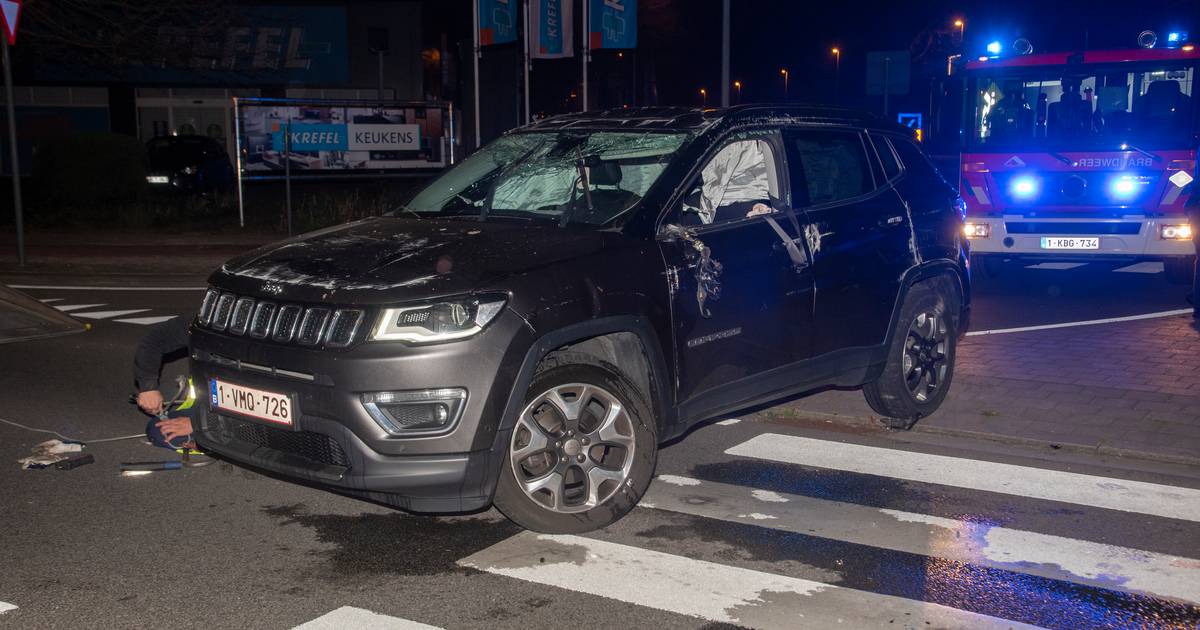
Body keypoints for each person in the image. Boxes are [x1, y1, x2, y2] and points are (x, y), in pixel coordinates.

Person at [133, 314, 196, 449]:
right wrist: (148, 387)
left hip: (241, 416)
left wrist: (198, 424)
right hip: (214, 408)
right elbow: (155, 340)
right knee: (159, 431)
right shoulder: (209, 320)